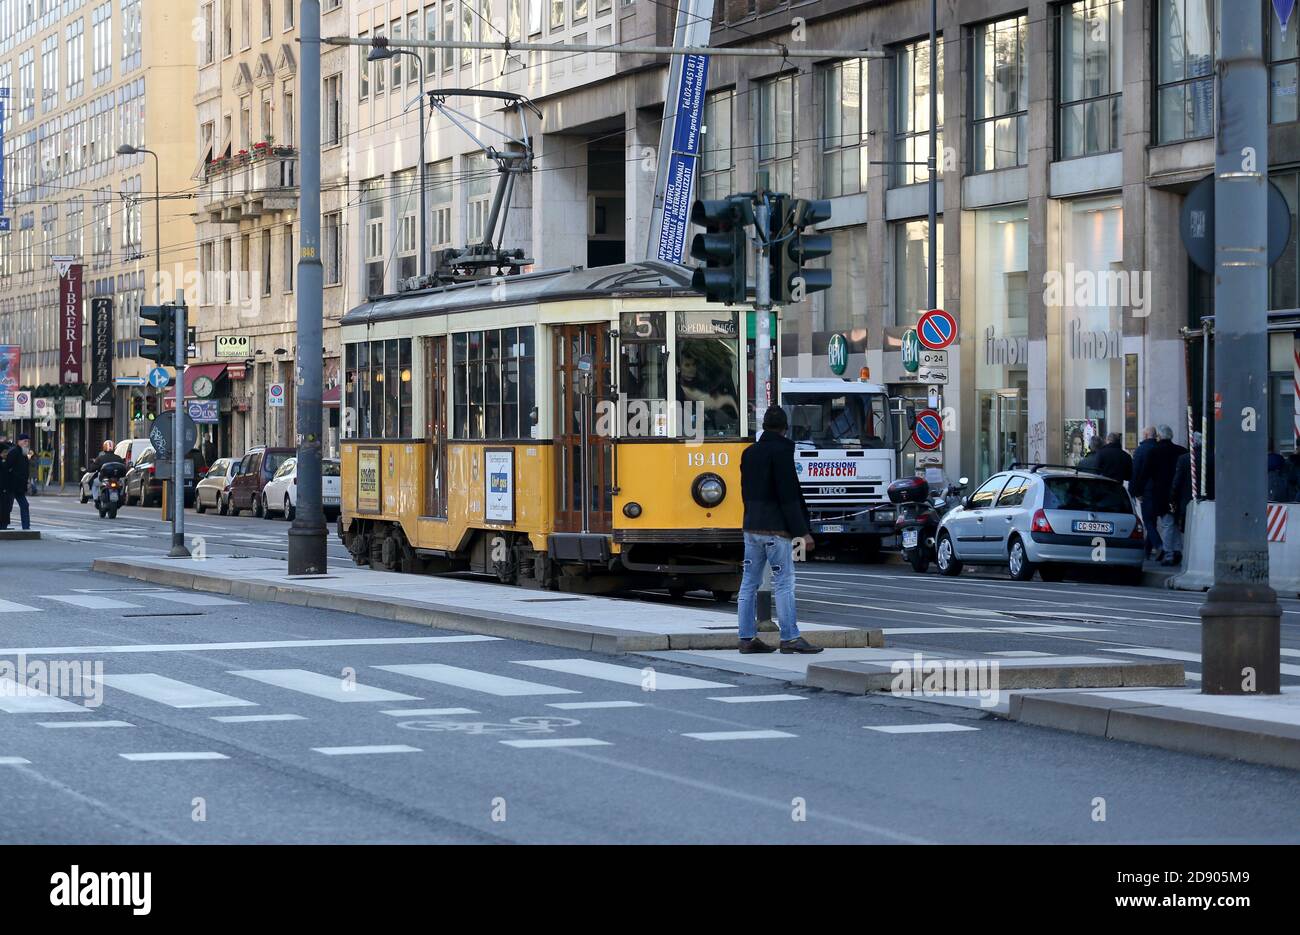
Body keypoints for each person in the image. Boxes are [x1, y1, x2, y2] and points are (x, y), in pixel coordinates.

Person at [735, 406, 823, 655]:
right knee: (784, 581)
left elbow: (745, 492)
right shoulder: (783, 451)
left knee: (748, 583)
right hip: (776, 530)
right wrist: (802, 532)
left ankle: (746, 638)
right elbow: (788, 495)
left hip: (751, 526)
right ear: (785, 429)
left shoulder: (749, 453)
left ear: (764, 426)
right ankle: (790, 637)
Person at [1148, 425, 1188, 566]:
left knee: (1167, 523)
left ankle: (1169, 553)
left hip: (1162, 493)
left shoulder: (1154, 451)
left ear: (1159, 436)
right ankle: (1177, 550)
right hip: (1180, 494)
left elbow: (1150, 473)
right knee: (1174, 523)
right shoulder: (1182, 451)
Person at [1130, 425, 1162, 561]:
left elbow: (1136, 472)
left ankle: (1159, 545)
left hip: (1146, 490)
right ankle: (1147, 551)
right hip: (1159, 490)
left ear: (1145, 435)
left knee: (1148, 520)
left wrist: (1134, 490)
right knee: (1152, 520)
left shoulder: (1141, 450)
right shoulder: (1160, 449)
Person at [0, 433, 33, 531]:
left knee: (24, 505)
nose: (26, 443)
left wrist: (26, 482)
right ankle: (3, 528)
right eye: (24, 441)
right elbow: (6, 468)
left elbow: (24, 470)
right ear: (19, 442)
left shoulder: (24, 454)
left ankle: (26, 528)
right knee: (7, 508)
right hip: (11, 486)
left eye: (28, 441)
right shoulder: (14, 452)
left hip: (19, 487)